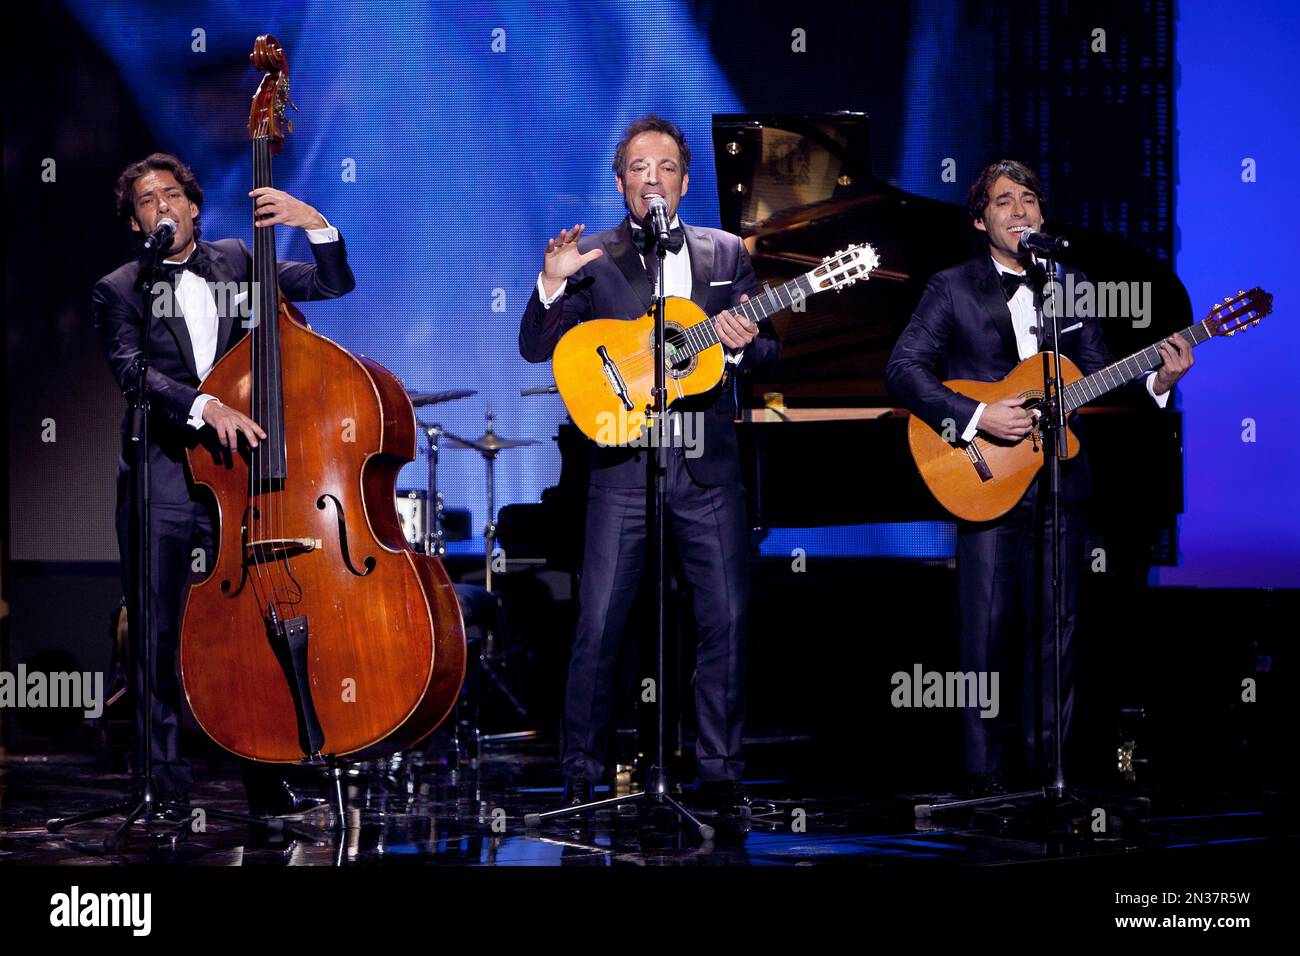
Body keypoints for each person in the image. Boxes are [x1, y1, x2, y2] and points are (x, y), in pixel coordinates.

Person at [885, 160, 1192, 795]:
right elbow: (904, 370)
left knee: (1059, 633)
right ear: (980, 220)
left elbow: (1099, 370)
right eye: (1004, 202)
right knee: (987, 634)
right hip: (987, 478)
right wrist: (976, 414)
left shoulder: (1071, 284)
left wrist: (1158, 380)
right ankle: (984, 779)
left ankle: (1051, 776)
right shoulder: (952, 287)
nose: (1021, 211)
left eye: (1030, 200)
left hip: (1062, 482)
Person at [519, 115, 780, 815]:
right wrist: (549, 284)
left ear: (685, 182)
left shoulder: (727, 254)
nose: (652, 178)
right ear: (620, 182)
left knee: (724, 617)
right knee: (600, 620)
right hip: (621, 465)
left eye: (665, 167)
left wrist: (742, 342)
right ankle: (581, 770)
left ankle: (720, 771)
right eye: (638, 168)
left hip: (708, 467)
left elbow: (769, 352)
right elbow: (535, 347)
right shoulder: (595, 257)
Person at [93, 152, 355, 815]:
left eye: (172, 194)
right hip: (162, 478)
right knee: (156, 632)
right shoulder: (120, 287)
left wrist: (315, 223)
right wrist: (206, 408)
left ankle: (267, 775)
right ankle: (162, 782)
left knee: (254, 624)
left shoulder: (240, 260)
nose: (163, 206)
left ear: (195, 206)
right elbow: (133, 373)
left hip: (239, 484)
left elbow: (331, 286)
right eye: (148, 200)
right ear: (135, 222)